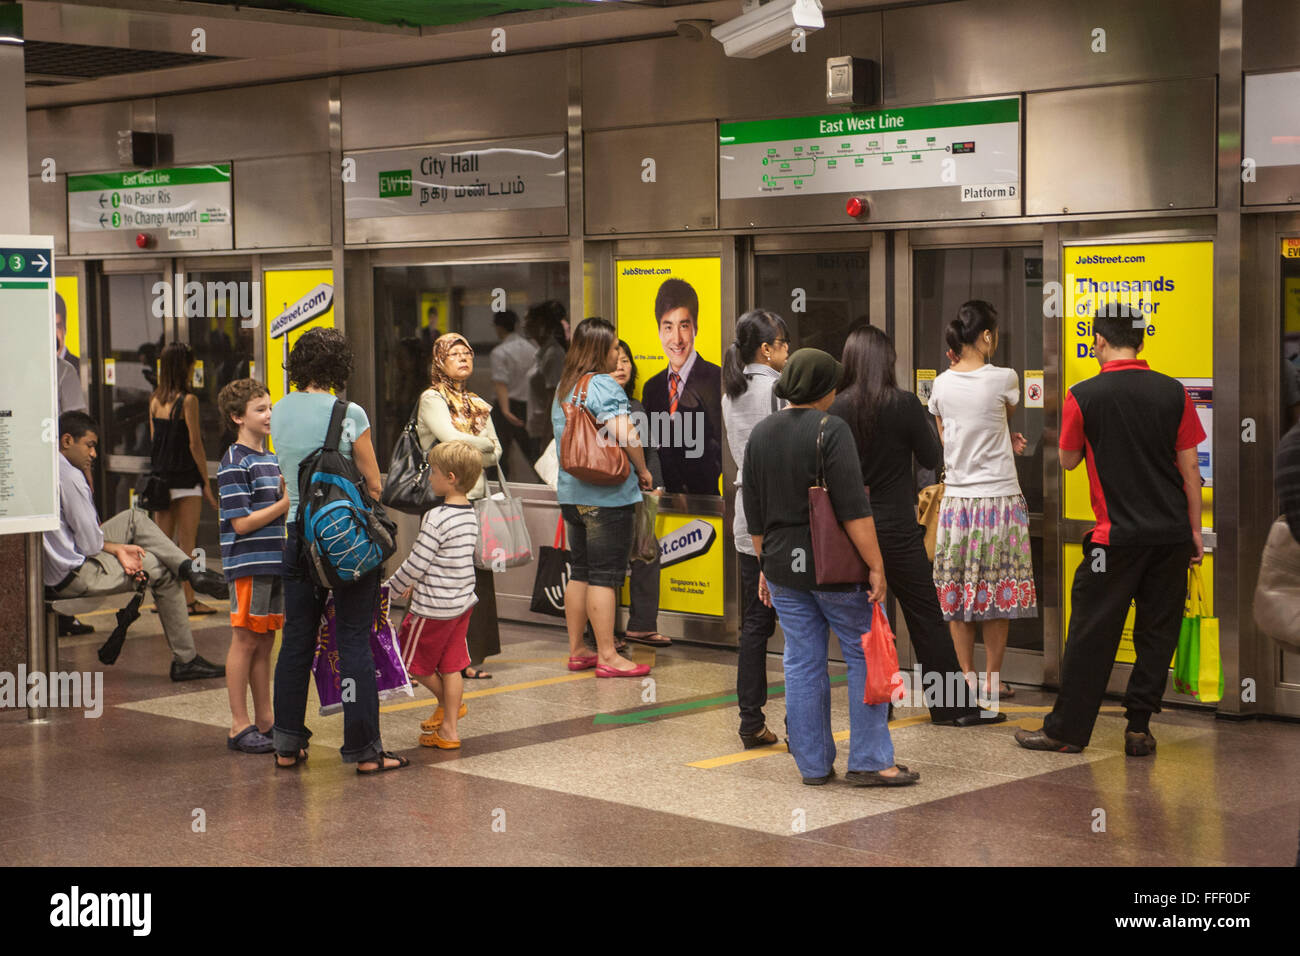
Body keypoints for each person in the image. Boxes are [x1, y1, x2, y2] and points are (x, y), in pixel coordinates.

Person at [1017, 305, 1206, 755]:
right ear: (1142, 343)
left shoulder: (1084, 394)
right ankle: (1138, 729)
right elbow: (1191, 470)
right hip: (1171, 537)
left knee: (1090, 635)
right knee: (1157, 635)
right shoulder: (1173, 393)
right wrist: (1195, 532)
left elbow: (1066, 460)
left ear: (1099, 342)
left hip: (1113, 541)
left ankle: (1065, 733)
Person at [743, 348, 917, 787]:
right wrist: (876, 565)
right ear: (823, 389)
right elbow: (853, 510)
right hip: (834, 570)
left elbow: (755, 514)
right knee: (862, 655)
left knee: (801, 661)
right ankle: (871, 760)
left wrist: (766, 566)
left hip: (782, 567)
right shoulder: (831, 430)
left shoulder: (761, 435)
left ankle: (814, 766)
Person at [830, 325, 1000, 727]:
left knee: (866, 621)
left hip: (855, 531)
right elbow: (930, 455)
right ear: (887, 361)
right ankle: (951, 708)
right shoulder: (904, 404)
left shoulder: (837, 407)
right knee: (926, 618)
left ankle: (878, 706)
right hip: (898, 528)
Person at [271, 328, 408, 774]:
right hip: (344, 540)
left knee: (295, 640)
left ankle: (287, 743)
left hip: (296, 538)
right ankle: (366, 751)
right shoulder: (349, 412)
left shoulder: (278, 411)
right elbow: (373, 482)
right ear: (340, 366)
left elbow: (290, 476)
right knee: (353, 638)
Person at [43, 412, 228, 681]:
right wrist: (118, 548)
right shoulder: (70, 476)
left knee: (134, 518)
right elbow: (90, 543)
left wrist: (115, 546)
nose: (94, 454)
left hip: (59, 561)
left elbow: (88, 539)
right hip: (72, 573)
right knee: (164, 571)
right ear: (67, 440)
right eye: (90, 445)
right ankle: (186, 659)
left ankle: (189, 568)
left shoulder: (51, 465)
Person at [927, 300, 1037, 701]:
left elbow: (948, 438)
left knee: (958, 595)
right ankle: (992, 679)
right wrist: (1005, 441)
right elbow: (1000, 419)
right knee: (998, 594)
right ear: (987, 335)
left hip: (958, 502)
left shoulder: (940, 384)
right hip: (999, 501)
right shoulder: (1005, 377)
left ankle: (967, 678)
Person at [552, 317, 655, 678]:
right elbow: (627, 436)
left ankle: (579, 650)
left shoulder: (565, 386)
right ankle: (609, 655)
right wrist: (642, 470)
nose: (617, 354)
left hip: (571, 495)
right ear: (599, 350)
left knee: (580, 571)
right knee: (606, 576)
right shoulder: (605, 387)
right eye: (613, 348)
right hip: (607, 497)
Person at [721, 309, 790, 748]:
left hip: (746, 516)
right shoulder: (777, 391)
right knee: (798, 624)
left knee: (754, 624)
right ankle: (799, 725)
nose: (788, 351)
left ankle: (751, 720)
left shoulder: (732, 390)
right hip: (778, 515)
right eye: (784, 344)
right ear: (767, 349)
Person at [385, 441, 483, 750]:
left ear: (451, 477)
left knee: (409, 661)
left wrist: (391, 588)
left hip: (432, 609)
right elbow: (448, 559)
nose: (429, 477)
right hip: (461, 604)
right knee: (452, 666)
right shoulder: (470, 514)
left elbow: (417, 562)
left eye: (434, 471)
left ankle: (445, 702)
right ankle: (450, 730)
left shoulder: (436, 517)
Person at [418, 332, 504, 680]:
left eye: (467, 352)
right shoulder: (431, 398)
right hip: (444, 499)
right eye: (454, 353)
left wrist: (475, 448)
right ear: (440, 360)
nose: (463, 357)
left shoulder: (477, 403)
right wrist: (480, 443)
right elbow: (448, 440)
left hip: (477, 500)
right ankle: (429, 656)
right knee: (442, 579)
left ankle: (471, 657)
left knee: (477, 579)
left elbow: (496, 452)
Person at [582, 338, 670, 653]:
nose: (622, 366)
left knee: (647, 553)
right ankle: (600, 634)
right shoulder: (592, 403)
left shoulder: (635, 406)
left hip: (636, 493)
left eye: (626, 361)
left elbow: (649, 450)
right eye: (615, 360)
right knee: (607, 563)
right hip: (604, 495)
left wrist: (655, 482)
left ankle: (642, 626)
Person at [217, 379, 289, 754]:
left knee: (265, 642)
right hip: (248, 564)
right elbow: (241, 523)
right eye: (259, 409)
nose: (268, 415)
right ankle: (238, 724)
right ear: (237, 417)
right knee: (245, 639)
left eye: (269, 407)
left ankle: (265, 720)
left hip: (272, 562)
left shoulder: (269, 458)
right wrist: (282, 505)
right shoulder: (235, 462)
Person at [148, 342, 220, 615]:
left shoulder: (154, 400)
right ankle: (188, 601)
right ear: (185, 367)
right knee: (187, 544)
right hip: (186, 480)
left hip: (161, 481)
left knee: (163, 546)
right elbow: (194, 445)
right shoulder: (188, 401)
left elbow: (155, 440)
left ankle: (161, 600)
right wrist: (206, 482)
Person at [640, 278, 723, 495]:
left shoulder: (717, 379)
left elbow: (724, 447)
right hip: (663, 499)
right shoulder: (652, 387)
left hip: (705, 501)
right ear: (659, 330)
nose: (676, 339)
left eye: (684, 326)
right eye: (668, 327)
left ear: (696, 327)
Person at [488, 310, 539, 470]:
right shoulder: (531, 348)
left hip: (506, 406)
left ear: (498, 328)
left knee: (498, 455)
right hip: (527, 404)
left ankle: (498, 490)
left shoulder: (499, 352)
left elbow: (500, 383)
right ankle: (545, 483)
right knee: (532, 453)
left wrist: (506, 411)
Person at [525, 300, 568, 455]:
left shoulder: (553, 354)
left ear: (541, 324)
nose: (525, 325)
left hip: (546, 431)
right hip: (537, 427)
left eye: (529, 321)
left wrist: (546, 437)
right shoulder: (542, 353)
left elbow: (554, 399)